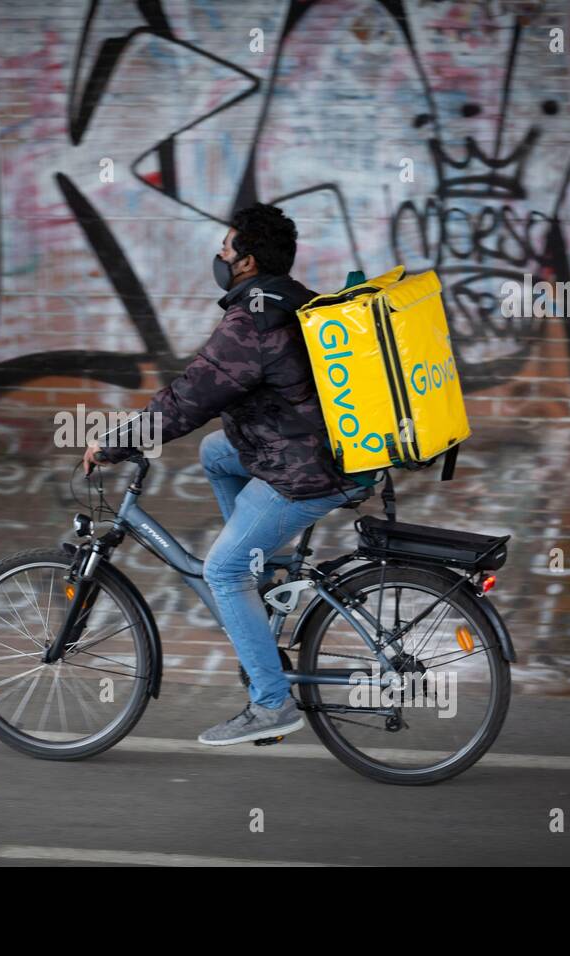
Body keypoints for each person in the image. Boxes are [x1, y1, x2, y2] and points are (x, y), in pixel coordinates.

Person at [83, 203, 370, 746]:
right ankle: (264, 577)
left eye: (225, 246)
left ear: (247, 261)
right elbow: (206, 398)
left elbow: (188, 399)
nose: (219, 253)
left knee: (222, 571)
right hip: (315, 450)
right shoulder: (289, 298)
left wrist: (114, 442)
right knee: (216, 452)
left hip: (302, 470)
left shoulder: (252, 322)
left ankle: (271, 704)